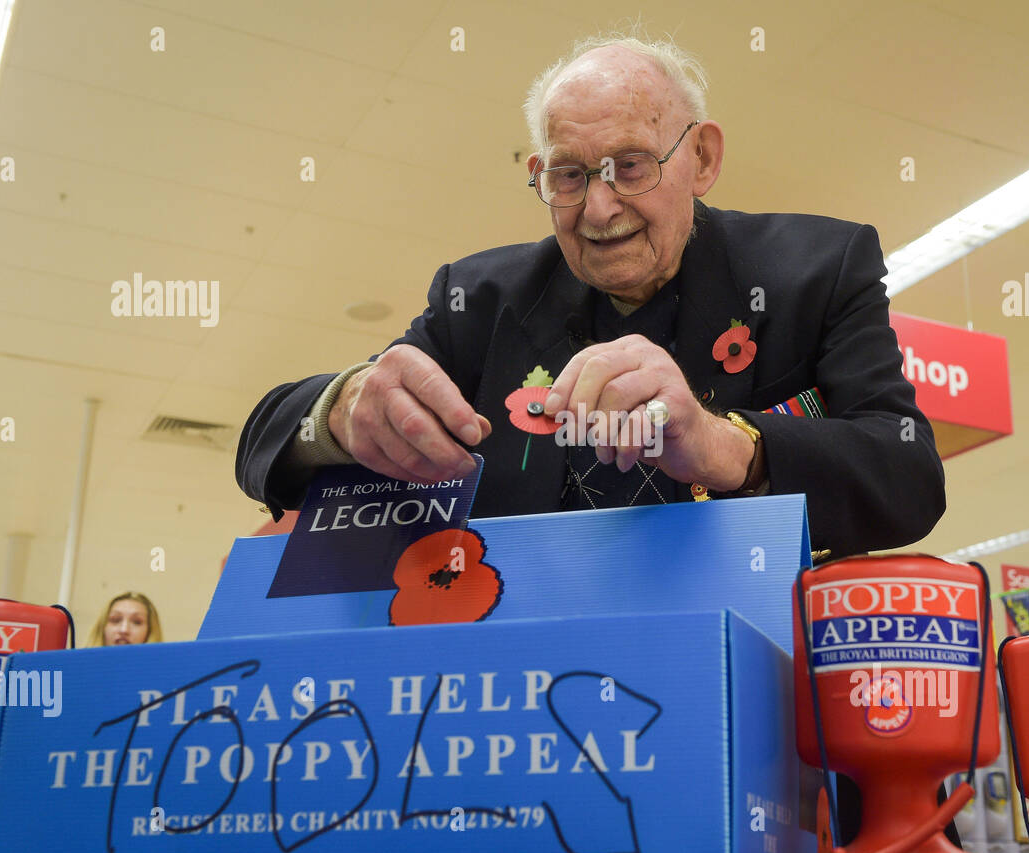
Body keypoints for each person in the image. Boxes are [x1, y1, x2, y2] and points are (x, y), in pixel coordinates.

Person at [235, 33, 945, 560]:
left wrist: (726, 446)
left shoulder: (818, 269)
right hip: (528, 691)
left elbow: (908, 475)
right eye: (570, 176)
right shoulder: (478, 301)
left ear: (701, 158)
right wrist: (342, 408)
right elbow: (263, 441)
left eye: (630, 166)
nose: (599, 209)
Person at [81, 592, 164, 648]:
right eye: (115, 620)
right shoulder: (80, 669)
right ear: (102, 628)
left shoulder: (163, 672)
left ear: (149, 631)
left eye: (136, 622)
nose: (124, 630)